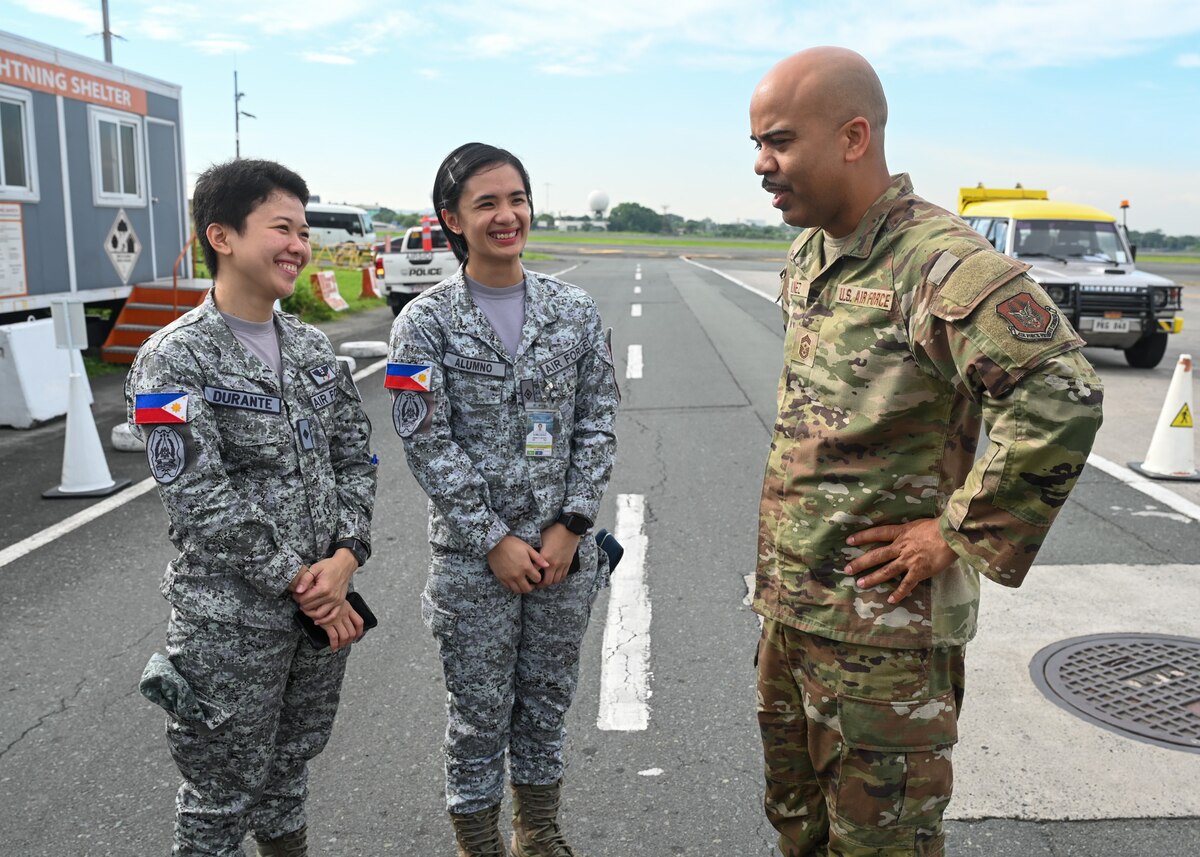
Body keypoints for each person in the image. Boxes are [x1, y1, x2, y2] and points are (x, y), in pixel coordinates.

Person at [748, 48, 1103, 856]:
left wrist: (956, 531)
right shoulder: (814, 250)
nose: (763, 166)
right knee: (797, 827)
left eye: (779, 142)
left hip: (886, 642)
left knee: (882, 845)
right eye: (758, 146)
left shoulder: (941, 262)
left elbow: (1061, 392)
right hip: (794, 613)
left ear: (853, 135)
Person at [126, 158, 377, 857]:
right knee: (219, 795)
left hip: (320, 607)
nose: (299, 243)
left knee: (288, 771)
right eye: (281, 227)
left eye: (303, 229)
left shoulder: (313, 349)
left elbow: (356, 458)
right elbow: (198, 495)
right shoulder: (171, 360)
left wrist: (347, 556)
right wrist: (312, 588)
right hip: (230, 625)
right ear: (223, 236)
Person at [387, 142, 619, 857]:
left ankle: (540, 834)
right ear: (452, 219)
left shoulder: (574, 311)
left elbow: (598, 418)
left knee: (546, 706)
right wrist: (493, 538)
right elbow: (426, 442)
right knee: (479, 716)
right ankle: (480, 844)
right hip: (473, 563)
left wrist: (572, 525)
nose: (506, 215)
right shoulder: (419, 325)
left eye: (515, 198)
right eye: (486, 203)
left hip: (562, 555)